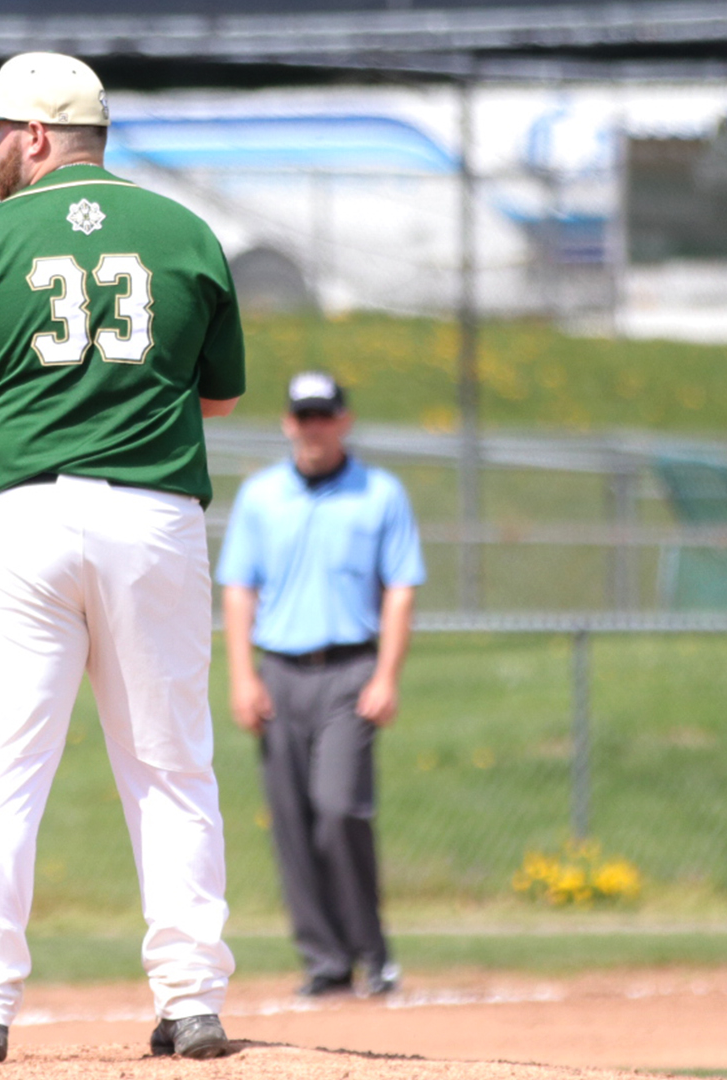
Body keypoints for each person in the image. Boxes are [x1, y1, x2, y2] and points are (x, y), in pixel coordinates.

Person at [0, 51, 246, 1064]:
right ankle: (190, 1002)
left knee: (2, 772)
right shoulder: (187, 234)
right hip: (153, 519)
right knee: (171, 765)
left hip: (17, 522)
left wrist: (35, 406)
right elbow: (216, 398)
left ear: (38, 138)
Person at [215, 372, 424, 999]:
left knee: (338, 810)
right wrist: (242, 675)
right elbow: (238, 589)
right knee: (292, 822)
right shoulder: (261, 496)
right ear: (288, 423)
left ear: (344, 421)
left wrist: (387, 674)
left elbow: (401, 588)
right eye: (303, 417)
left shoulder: (379, 494)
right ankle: (325, 962)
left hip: (349, 672)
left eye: (323, 416)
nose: (313, 428)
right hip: (279, 672)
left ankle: (372, 952)